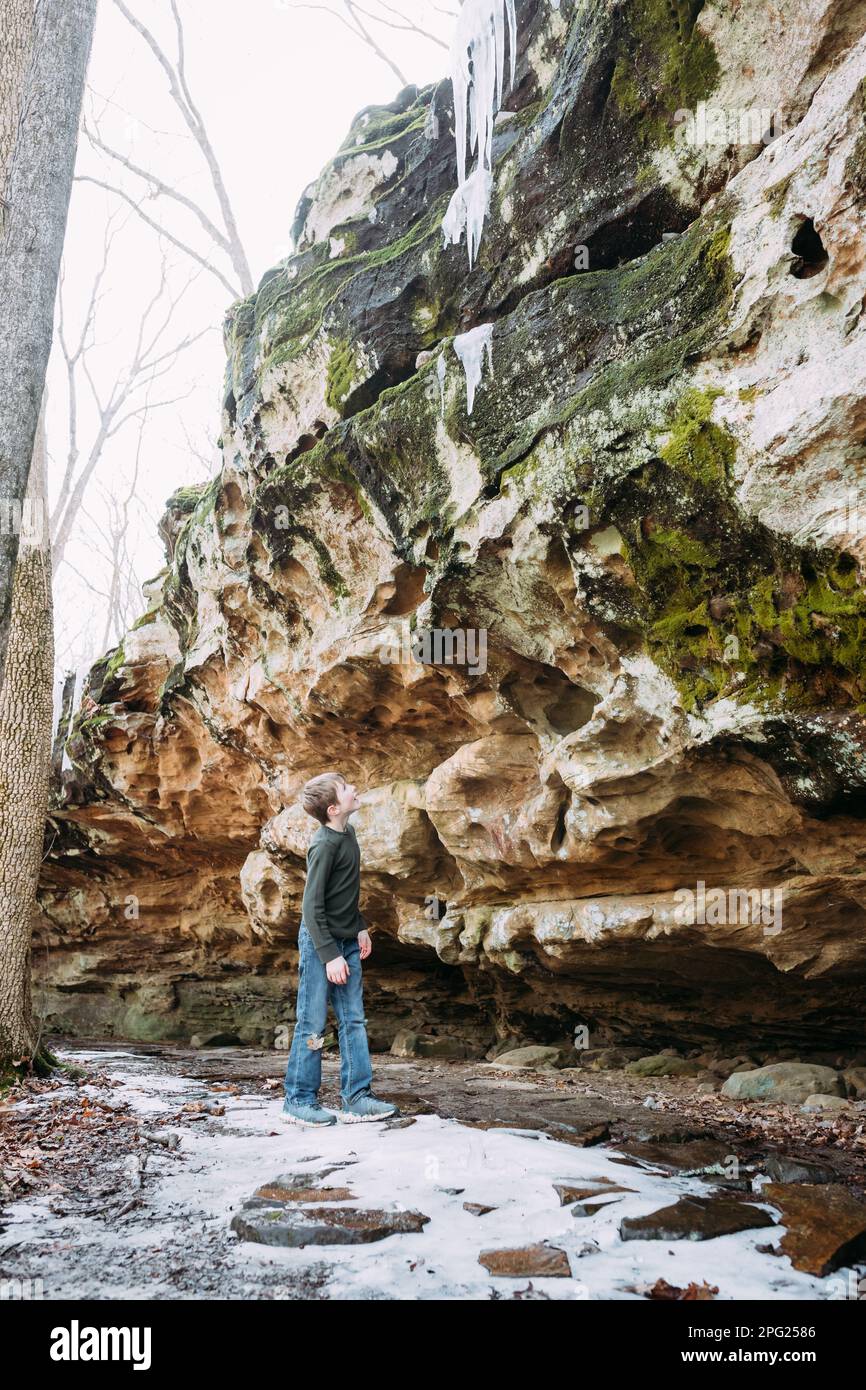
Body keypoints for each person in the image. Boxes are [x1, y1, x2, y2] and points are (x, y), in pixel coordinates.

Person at [281, 771, 399, 1127]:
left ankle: (356, 1098)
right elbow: (312, 908)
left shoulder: (348, 834)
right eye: (347, 789)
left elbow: (343, 893)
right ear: (333, 808)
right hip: (321, 944)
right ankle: (299, 1099)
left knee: (353, 1020)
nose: (355, 789)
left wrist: (360, 926)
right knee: (312, 1022)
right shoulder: (324, 845)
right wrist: (329, 955)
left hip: (347, 940)